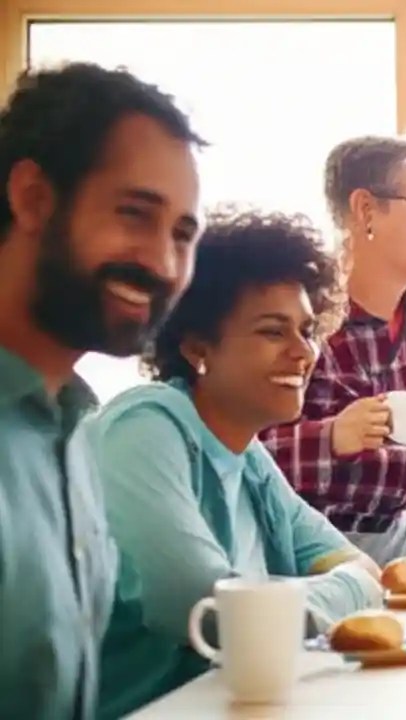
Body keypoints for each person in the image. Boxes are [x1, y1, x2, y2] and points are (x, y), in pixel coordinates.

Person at [88, 210, 384, 718]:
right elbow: (211, 615)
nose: (304, 352)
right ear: (198, 346)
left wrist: (345, 584)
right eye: (273, 332)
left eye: (307, 330)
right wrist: (348, 589)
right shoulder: (143, 429)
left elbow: (360, 566)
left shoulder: (248, 458)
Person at [0, 62, 203, 720]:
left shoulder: (71, 431)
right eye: (134, 214)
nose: (163, 262)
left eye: (181, 234)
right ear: (32, 197)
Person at [261, 133, 406, 565]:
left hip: (392, 541)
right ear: (366, 210)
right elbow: (238, 453)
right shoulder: (301, 308)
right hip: (301, 547)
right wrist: (332, 436)